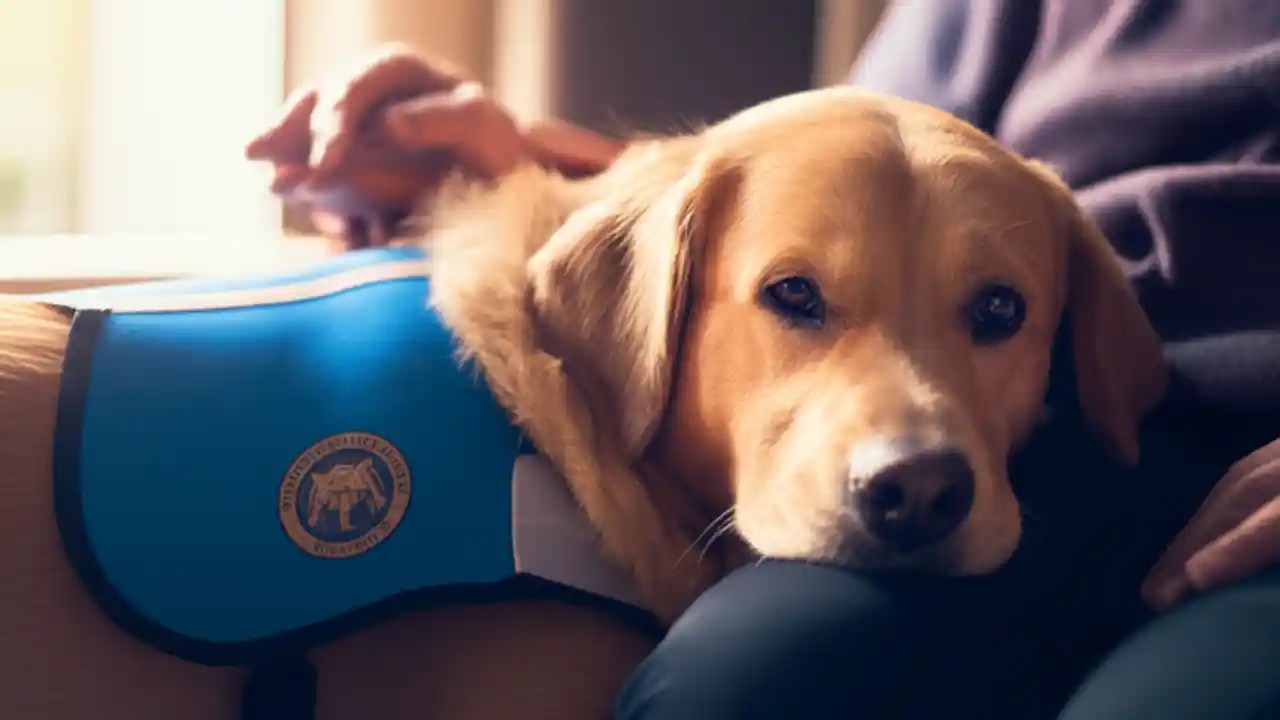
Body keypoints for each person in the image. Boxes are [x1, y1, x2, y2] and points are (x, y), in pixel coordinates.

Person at [247, 1, 1280, 716]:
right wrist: (529, 169)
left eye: (992, 308)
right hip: (1061, 440)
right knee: (749, 686)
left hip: (1235, 476)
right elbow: (864, 171)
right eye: (798, 303)